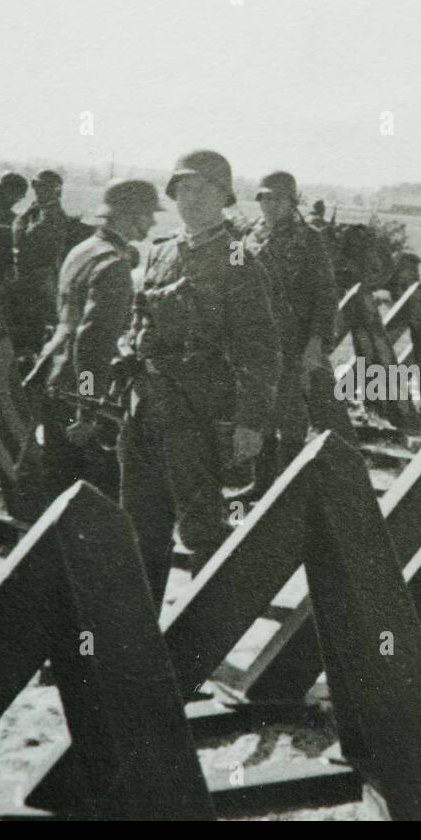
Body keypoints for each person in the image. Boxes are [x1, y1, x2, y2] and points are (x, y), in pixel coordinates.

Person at [119, 149, 281, 587]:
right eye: (182, 189)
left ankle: (201, 635)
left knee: (201, 526)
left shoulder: (236, 259)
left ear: (223, 196)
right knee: (139, 522)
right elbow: (138, 321)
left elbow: (259, 350)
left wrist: (251, 421)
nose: (189, 198)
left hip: (197, 409)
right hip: (145, 404)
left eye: (201, 189)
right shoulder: (159, 252)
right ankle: (140, 634)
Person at [29, 179, 159, 501]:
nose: (153, 222)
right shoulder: (114, 265)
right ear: (130, 215)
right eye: (148, 214)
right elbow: (93, 343)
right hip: (80, 389)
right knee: (89, 492)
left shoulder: (84, 249)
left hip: (56, 371)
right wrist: (86, 410)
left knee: (57, 479)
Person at [245, 171, 344, 487]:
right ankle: (261, 484)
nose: (270, 205)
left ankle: (287, 488)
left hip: (294, 341)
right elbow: (233, 279)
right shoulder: (248, 236)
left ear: (292, 201)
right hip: (256, 340)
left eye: (277, 198)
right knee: (260, 410)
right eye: (265, 198)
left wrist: (316, 343)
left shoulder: (310, 239)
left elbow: (326, 294)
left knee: (291, 414)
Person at [12, 169, 71, 345]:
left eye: (42, 186)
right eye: (35, 185)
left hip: (40, 276)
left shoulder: (52, 215)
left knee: (35, 322)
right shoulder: (37, 209)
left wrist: (24, 217)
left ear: (55, 190)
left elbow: (23, 237)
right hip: (29, 272)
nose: (37, 190)